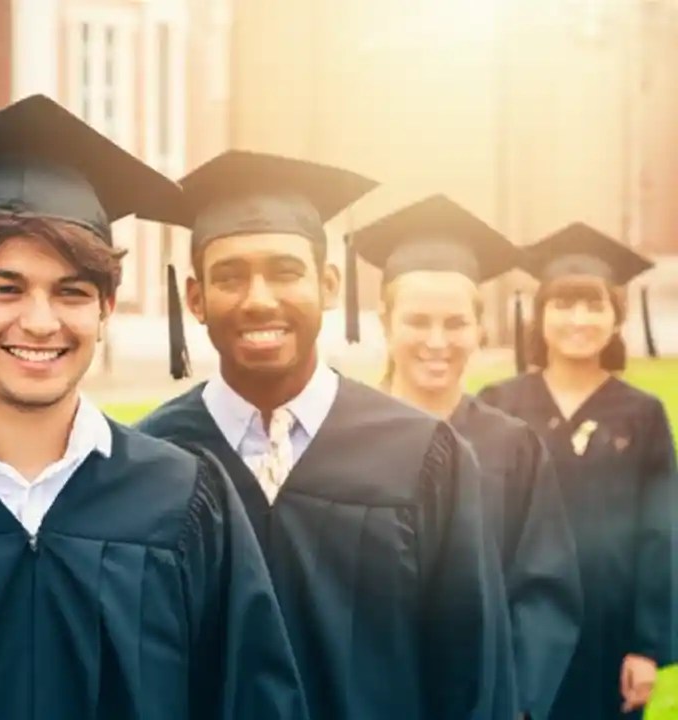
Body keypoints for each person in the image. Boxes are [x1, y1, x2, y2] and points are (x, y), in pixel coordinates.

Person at [0, 95, 307, 719]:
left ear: (104, 310)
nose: (40, 322)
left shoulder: (185, 500)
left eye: (71, 292)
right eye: (4, 289)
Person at [137, 151, 514, 718]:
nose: (259, 298)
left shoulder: (424, 456)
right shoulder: (149, 462)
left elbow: (472, 669)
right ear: (195, 299)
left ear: (330, 284)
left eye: (286, 271)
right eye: (230, 276)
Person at [350, 194, 583, 719]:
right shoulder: (342, 439)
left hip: (485, 702)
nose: (437, 341)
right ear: (386, 322)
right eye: (418, 321)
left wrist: (515, 704)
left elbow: (544, 590)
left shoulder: (513, 446)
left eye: (455, 323)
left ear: (479, 328)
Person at [478, 222, 675, 719]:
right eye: (563, 305)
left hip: (610, 631)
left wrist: (647, 646)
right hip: (519, 625)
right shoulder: (499, 406)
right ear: (540, 315)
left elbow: (660, 531)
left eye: (594, 305)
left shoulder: (642, 413)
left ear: (615, 318)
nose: (578, 319)